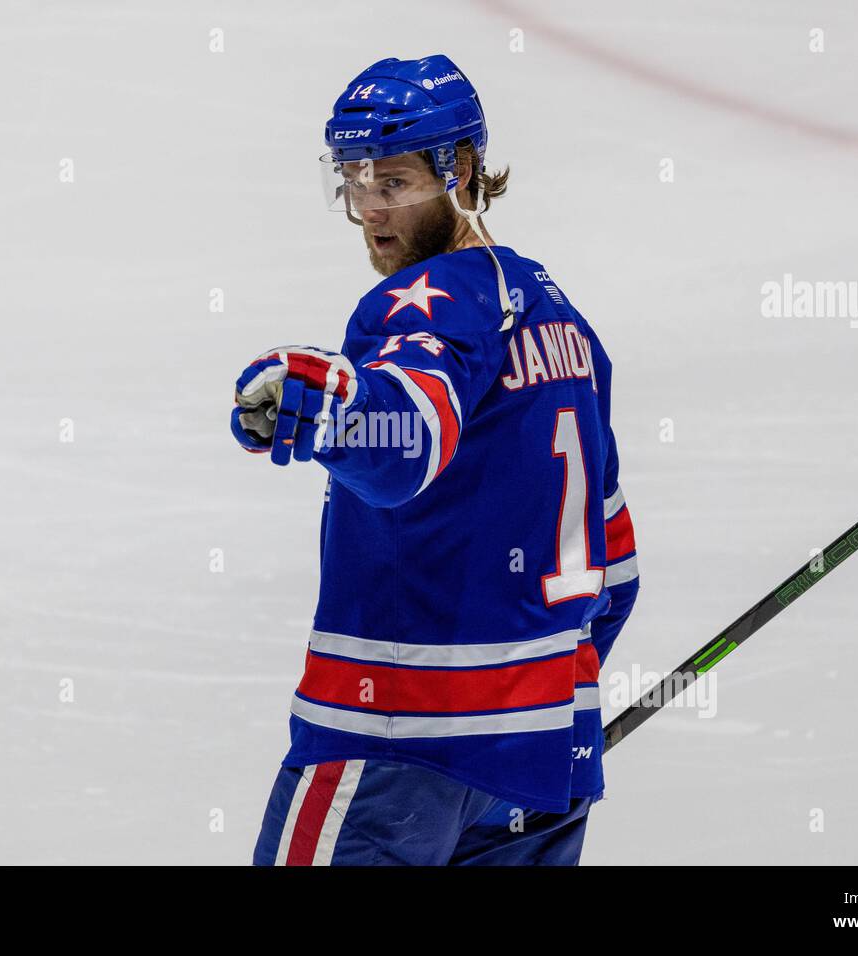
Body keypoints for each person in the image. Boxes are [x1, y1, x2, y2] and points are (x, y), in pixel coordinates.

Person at [232, 54, 640, 866]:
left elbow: (404, 436)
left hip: (399, 745)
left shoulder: (430, 304)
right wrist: (535, 697)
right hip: (543, 760)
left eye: (392, 182)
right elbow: (614, 564)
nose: (368, 211)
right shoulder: (564, 322)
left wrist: (331, 411)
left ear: (458, 170)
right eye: (352, 180)